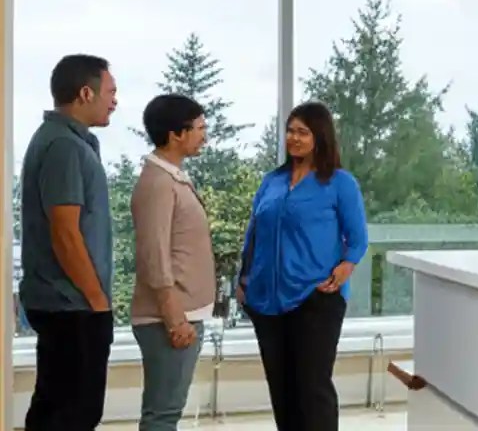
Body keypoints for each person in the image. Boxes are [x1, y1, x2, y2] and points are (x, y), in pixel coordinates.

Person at [237, 101, 368, 431]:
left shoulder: (340, 183)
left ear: (320, 136)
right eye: (290, 131)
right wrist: (243, 281)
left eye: (302, 132)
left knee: (313, 390)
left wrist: (345, 268)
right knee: (282, 391)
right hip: (266, 301)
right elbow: (253, 233)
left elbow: (358, 239)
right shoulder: (272, 182)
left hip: (316, 298)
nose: (293, 138)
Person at [19, 54, 117, 430]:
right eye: (110, 91)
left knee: (61, 408)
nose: (114, 100)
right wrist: (96, 301)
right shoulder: (63, 147)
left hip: (70, 305)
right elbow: (64, 231)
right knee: (71, 414)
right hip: (71, 306)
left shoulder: (70, 142)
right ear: (85, 92)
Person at [131, 94, 216, 430]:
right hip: (169, 316)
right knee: (163, 413)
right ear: (176, 134)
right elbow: (154, 256)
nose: (204, 136)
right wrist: (174, 319)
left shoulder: (172, 177)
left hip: (181, 312)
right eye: (198, 128)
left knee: (167, 409)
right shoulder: (158, 183)